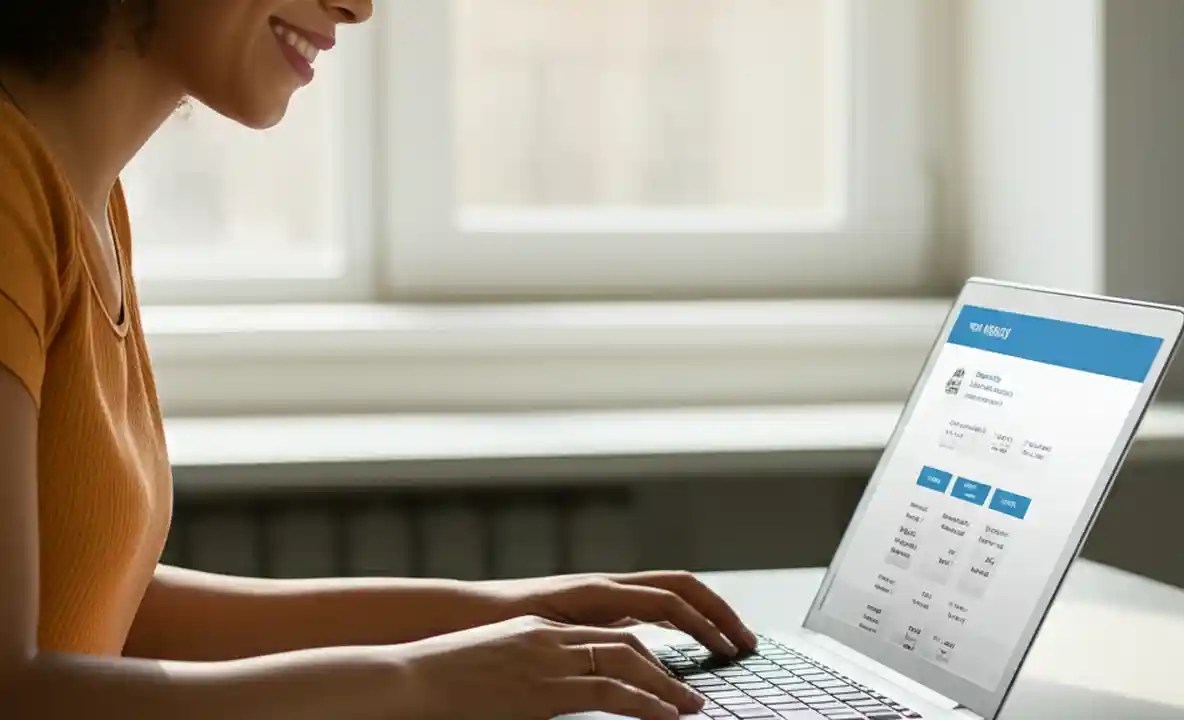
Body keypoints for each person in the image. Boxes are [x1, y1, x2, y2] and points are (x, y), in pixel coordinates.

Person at [0, 2, 757, 717]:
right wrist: (421, 681)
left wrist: (499, 615)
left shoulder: (81, 191)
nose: (358, 7)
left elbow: (107, 607)